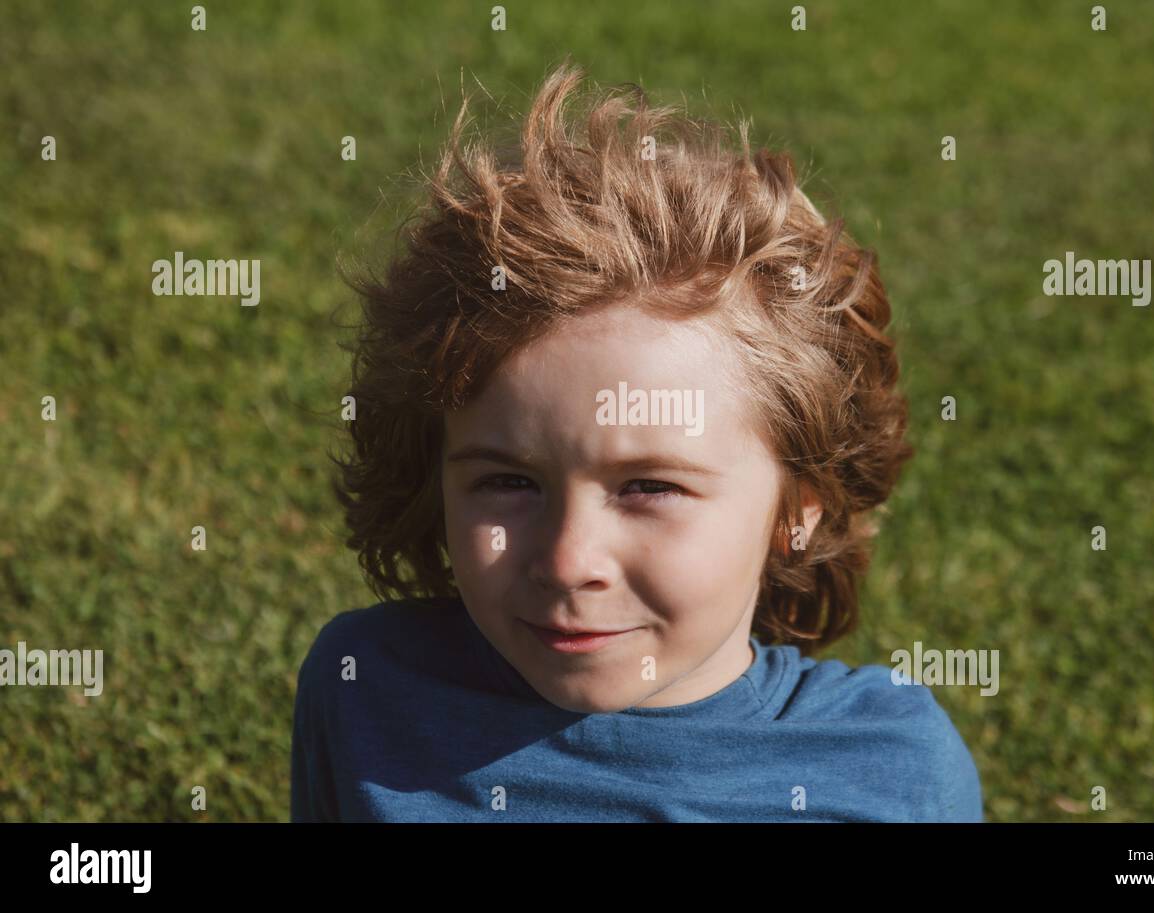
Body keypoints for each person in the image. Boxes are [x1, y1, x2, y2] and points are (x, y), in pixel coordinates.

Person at [291, 58, 982, 822]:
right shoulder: (369, 692)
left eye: (649, 486)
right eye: (507, 481)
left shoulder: (890, 772)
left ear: (798, 508)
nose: (567, 561)